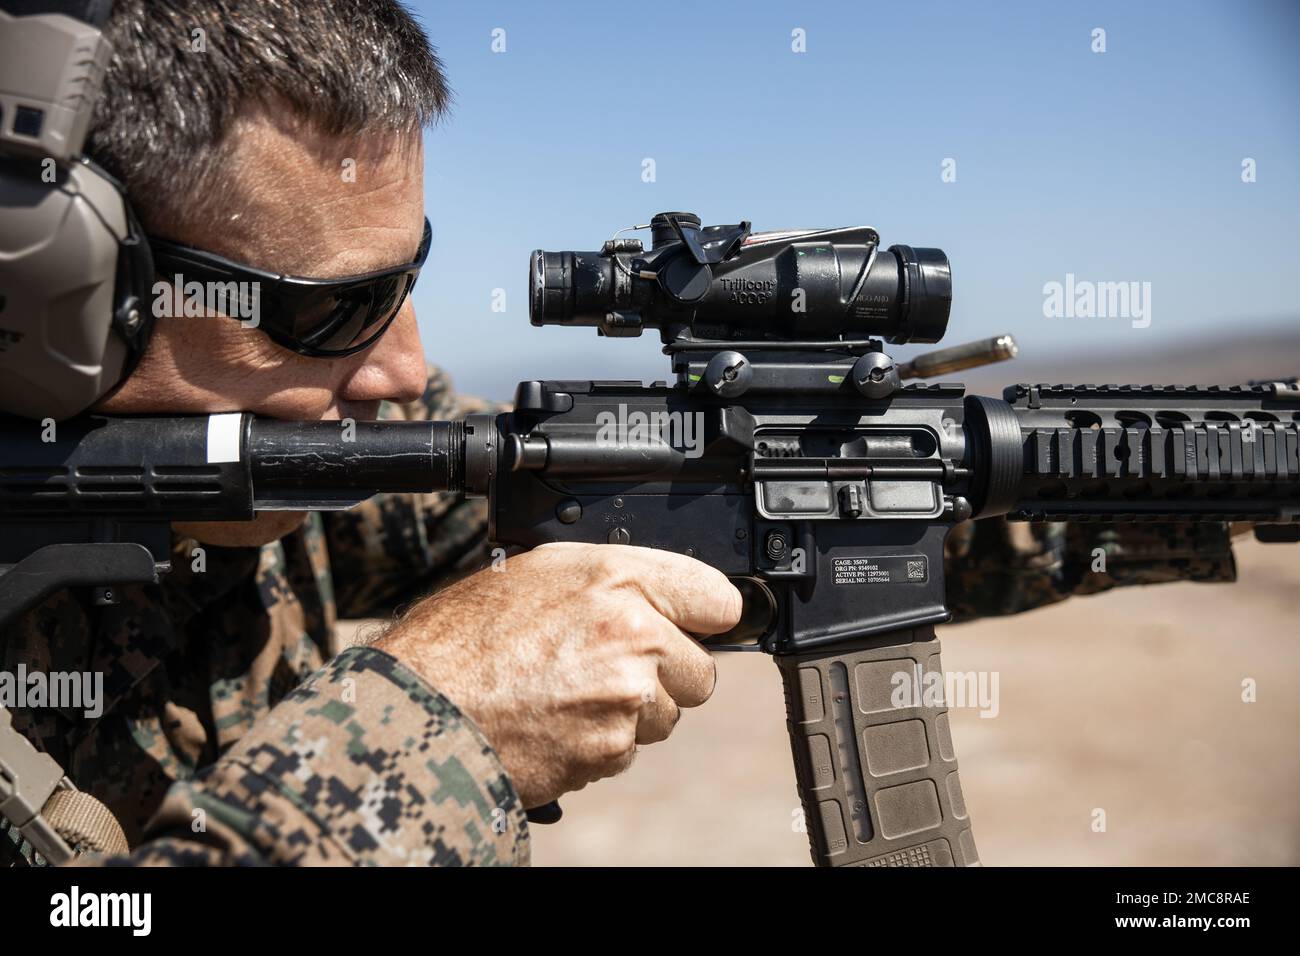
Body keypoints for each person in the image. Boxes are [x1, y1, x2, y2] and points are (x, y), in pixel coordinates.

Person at [0, 0, 1238, 867]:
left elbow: (806, 514)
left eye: (406, 277)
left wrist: (1192, 477)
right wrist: (433, 726)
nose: (407, 366)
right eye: (335, 308)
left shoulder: (319, 451)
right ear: (67, 297)